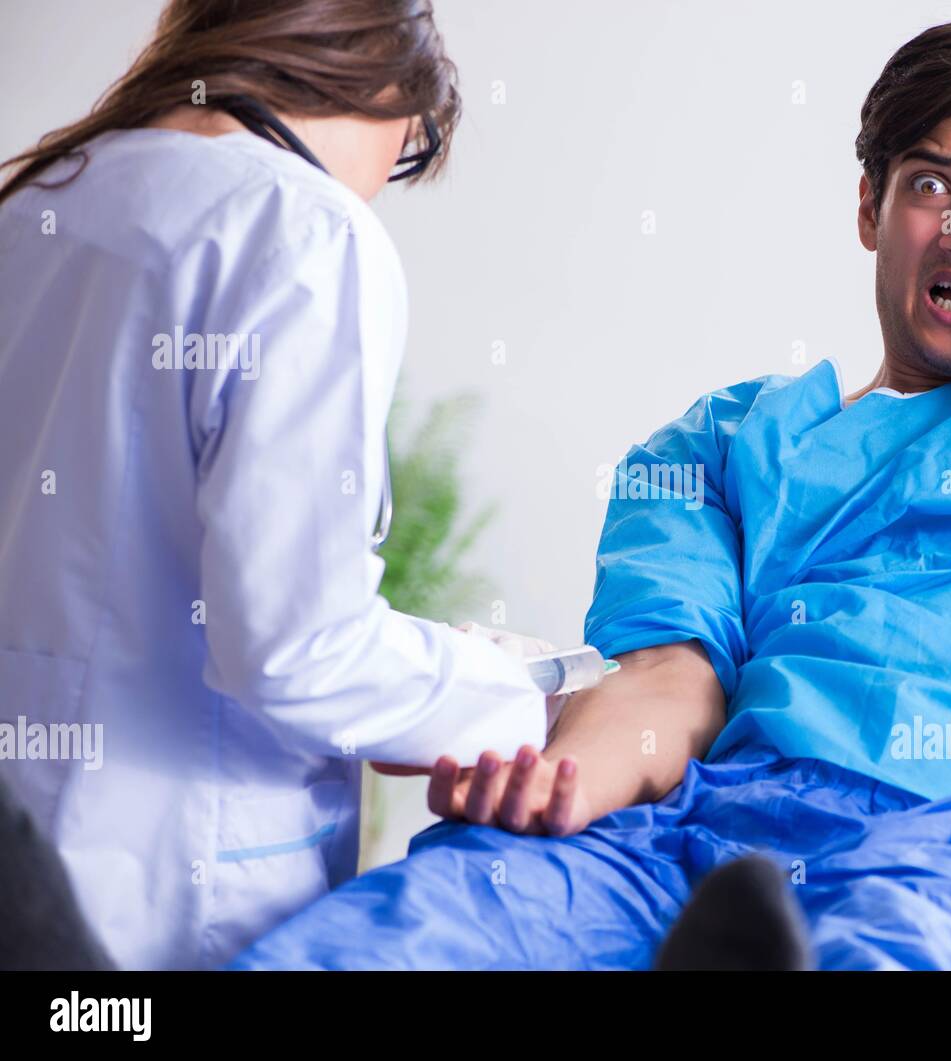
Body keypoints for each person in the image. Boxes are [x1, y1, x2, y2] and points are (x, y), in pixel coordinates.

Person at [229, 20, 951, 972]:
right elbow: (666, 677)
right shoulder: (721, 439)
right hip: (705, 827)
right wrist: (563, 782)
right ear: (871, 205)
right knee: (446, 909)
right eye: (932, 184)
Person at [0, 0, 557, 971]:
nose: (383, 188)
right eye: (409, 158)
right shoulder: (302, 228)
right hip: (163, 905)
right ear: (386, 93)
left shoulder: (40, 199)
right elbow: (297, 649)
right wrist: (509, 692)